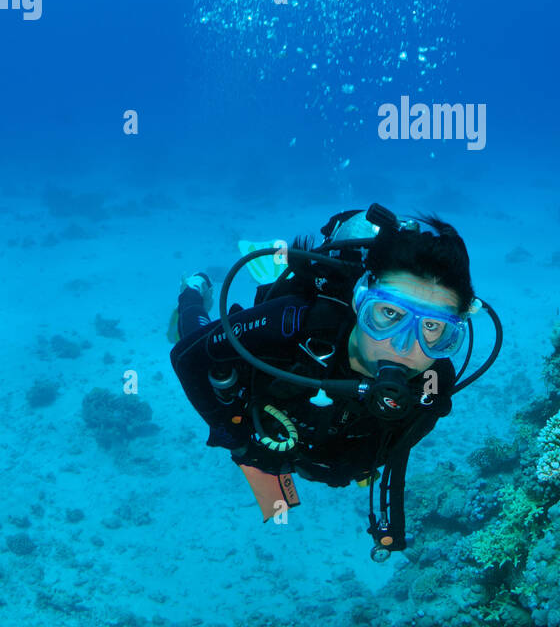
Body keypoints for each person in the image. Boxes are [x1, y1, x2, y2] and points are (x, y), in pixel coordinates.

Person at [169, 204, 501, 557]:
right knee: (195, 333)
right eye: (389, 314)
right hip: (265, 387)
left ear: (452, 336)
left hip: (309, 445)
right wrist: (236, 440)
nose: (404, 347)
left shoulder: (433, 382)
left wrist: (351, 466)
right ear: (361, 301)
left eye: (433, 327)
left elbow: (400, 444)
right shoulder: (295, 321)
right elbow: (187, 357)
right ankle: (193, 289)